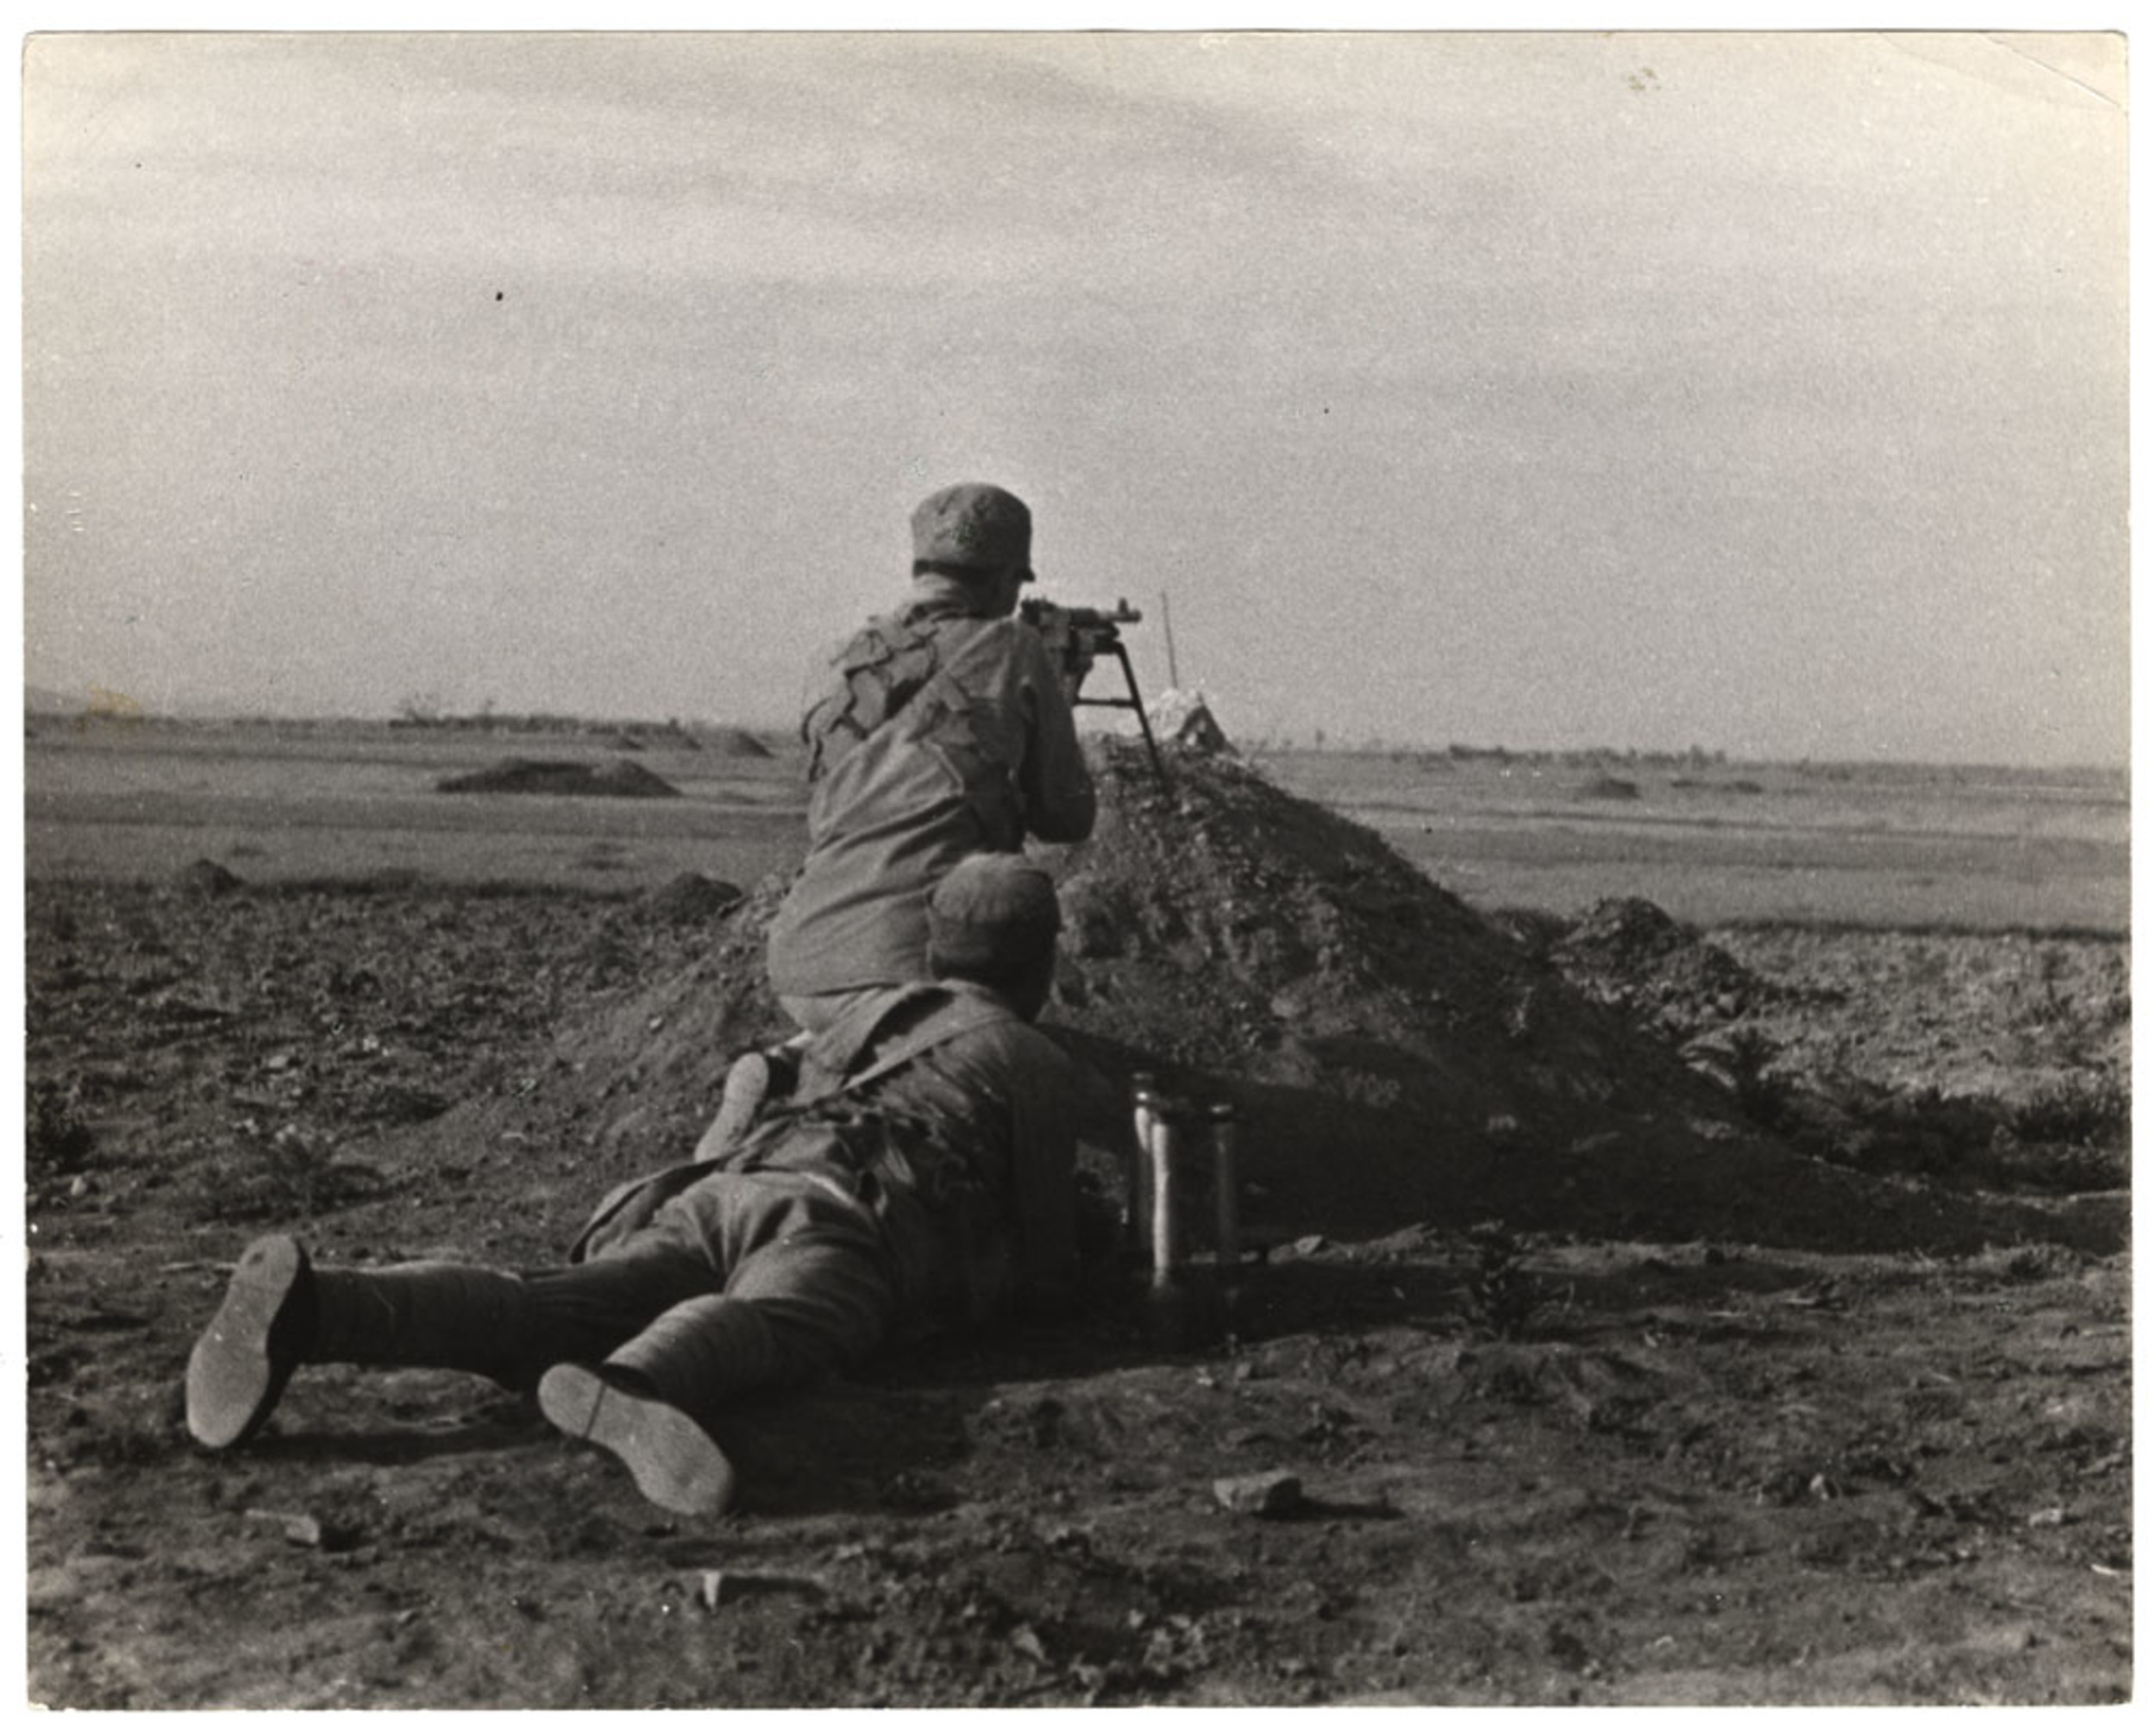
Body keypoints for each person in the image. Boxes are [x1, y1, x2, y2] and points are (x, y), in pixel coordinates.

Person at [184, 856, 1087, 1518]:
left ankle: (324, 1308)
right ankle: (639, 1381)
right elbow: (1051, 1265)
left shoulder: (874, 1008)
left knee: (557, 1298)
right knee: (776, 1322)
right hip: (840, 1221)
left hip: (725, 1186)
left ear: (935, 945)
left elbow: (760, 1071)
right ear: (1041, 963)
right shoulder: (1028, 1056)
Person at [762, 481, 1096, 1039]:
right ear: (1001, 579)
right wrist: (1058, 696)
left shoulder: (836, 660)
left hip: (803, 964)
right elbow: (1067, 817)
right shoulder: (1015, 649)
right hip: (918, 972)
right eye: (1016, 582)